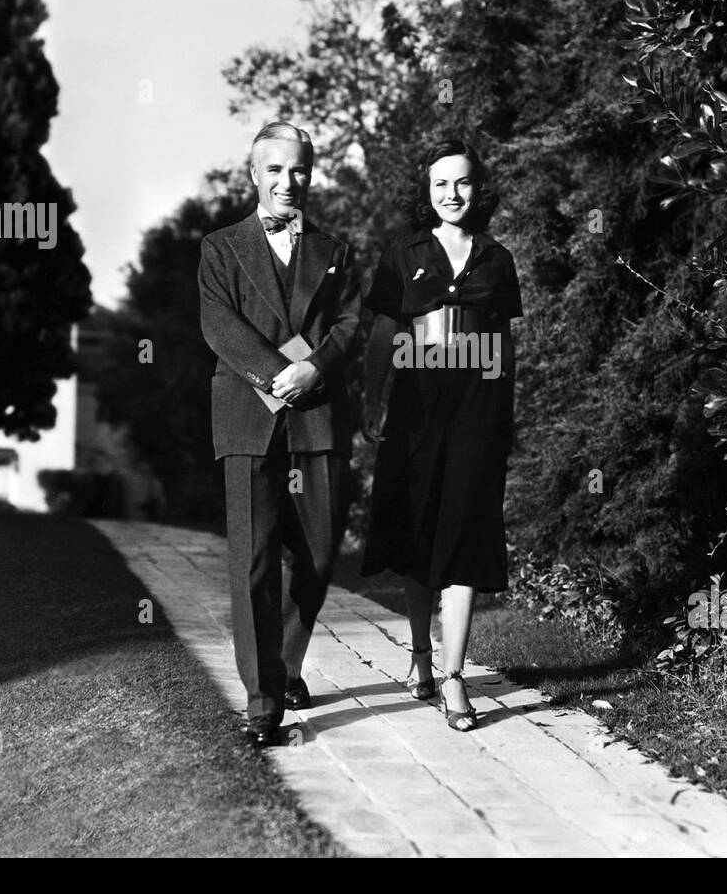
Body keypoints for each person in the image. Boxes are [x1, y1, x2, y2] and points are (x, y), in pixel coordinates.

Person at [198, 121, 361, 747]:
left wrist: (313, 368)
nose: (287, 181)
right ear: (254, 174)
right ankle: (264, 702)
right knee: (255, 563)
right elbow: (219, 324)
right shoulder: (220, 246)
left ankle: (285, 664)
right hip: (247, 417)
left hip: (318, 414)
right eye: (275, 170)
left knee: (318, 558)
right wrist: (276, 374)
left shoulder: (335, 248)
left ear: (310, 174)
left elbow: (350, 321)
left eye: (298, 170)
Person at [361, 138, 523, 732]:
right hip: (414, 410)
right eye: (440, 185)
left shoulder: (498, 259)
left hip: (477, 412)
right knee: (418, 528)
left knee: (465, 527)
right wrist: (373, 400)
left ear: (478, 190)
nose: (452, 195)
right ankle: (421, 655)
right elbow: (383, 335)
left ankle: (454, 677)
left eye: (462, 183)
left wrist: (505, 417)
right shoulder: (401, 255)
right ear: (426, 193)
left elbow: (503, 343)